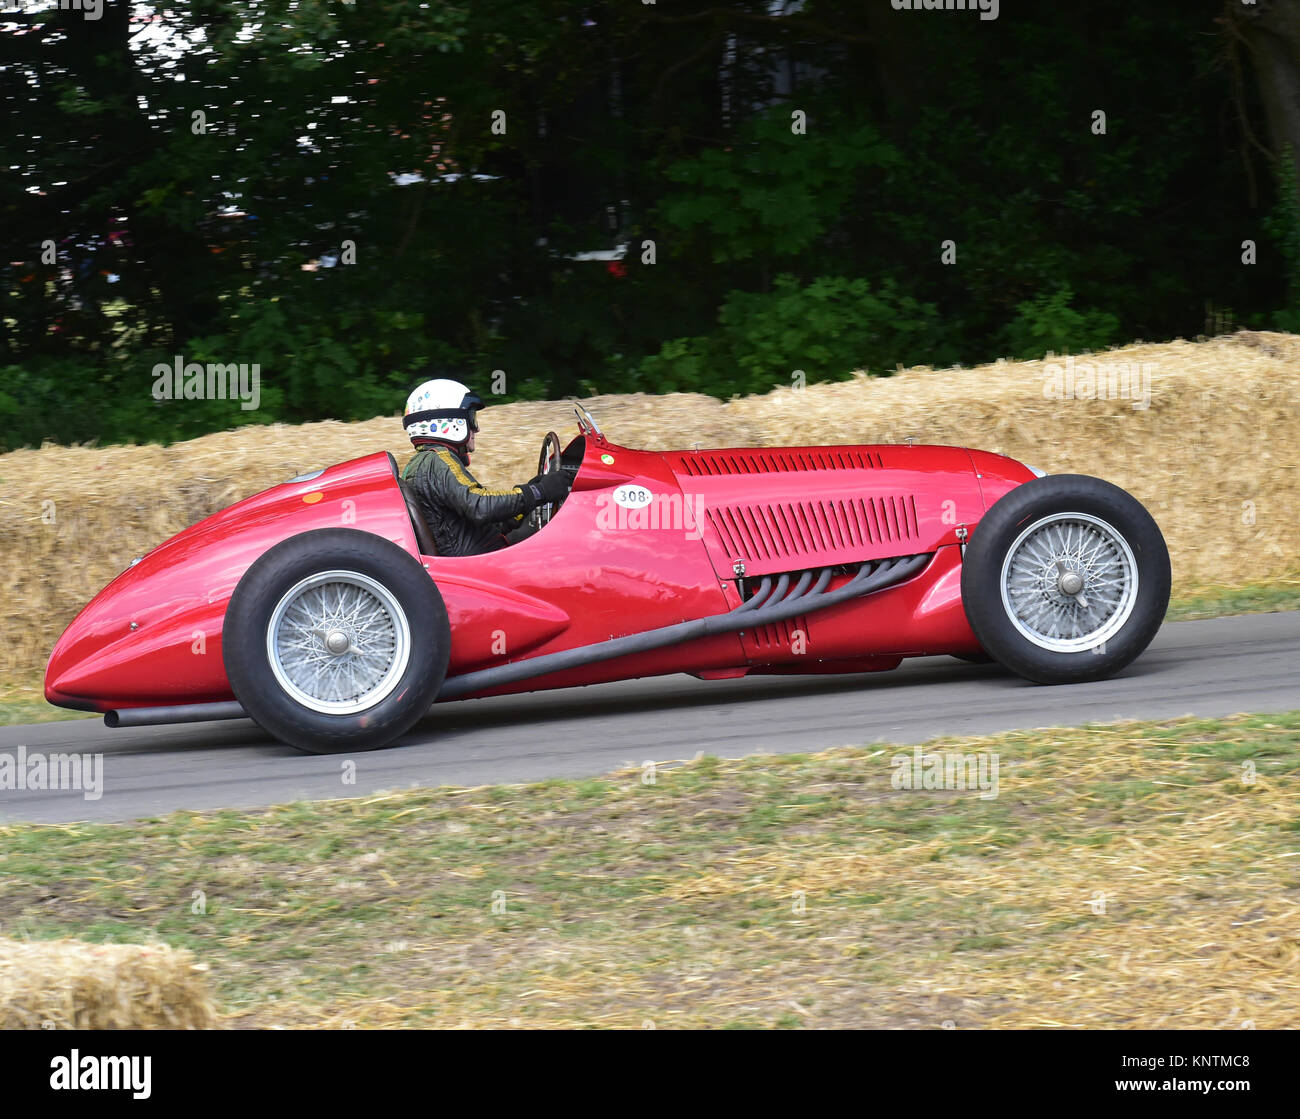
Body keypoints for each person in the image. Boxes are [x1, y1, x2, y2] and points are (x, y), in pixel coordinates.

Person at [400, 378, 569, 556]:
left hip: (478, 549)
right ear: (449, 422)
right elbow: (480, 506)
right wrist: (539, 491)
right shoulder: (437, 461)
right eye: (471, 418)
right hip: (480, 561)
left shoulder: (421, 464)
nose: (476, 429)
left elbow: (474, 519)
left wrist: (529, 499)